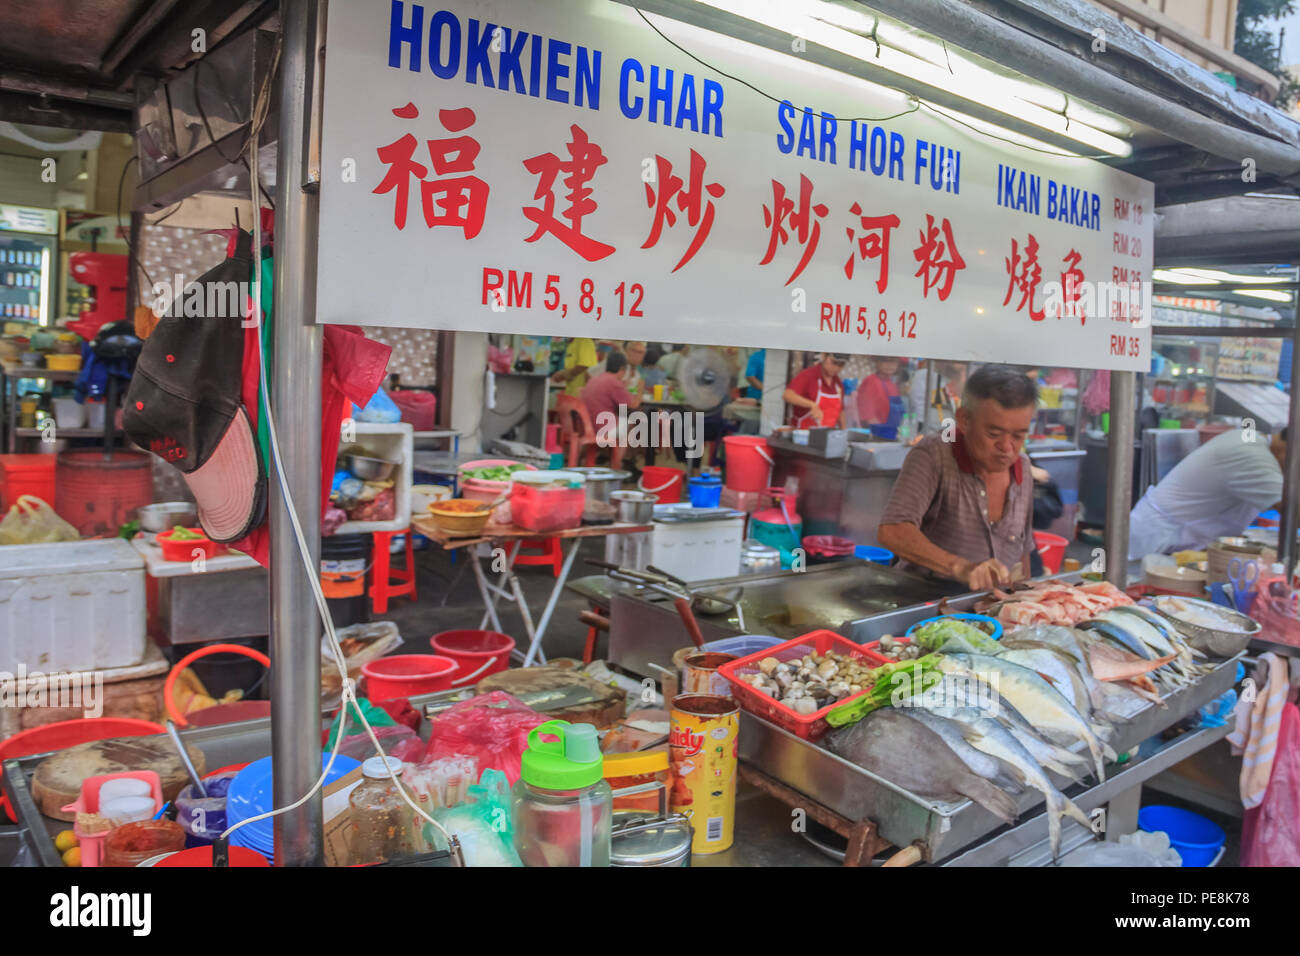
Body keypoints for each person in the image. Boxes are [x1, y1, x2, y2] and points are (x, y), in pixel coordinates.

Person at [878, 365, 1039, 590]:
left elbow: (1022, 556)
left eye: (1018, 436)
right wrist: (960, 567)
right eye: (993, 434)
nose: (1006, 447)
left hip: (992, 614)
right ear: (964, 420)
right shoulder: (934, 455)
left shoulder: (1022, 468)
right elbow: (893, 530)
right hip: (923, 606)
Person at [1127, 427, 1285, 560]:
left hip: (1180, 542)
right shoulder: (1254, 457)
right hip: (1160, 541)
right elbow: (1293, 512)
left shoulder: (1253, 444)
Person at [581, 350, 642, 469]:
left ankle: (586, 458)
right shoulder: (613, 382)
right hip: (602, 427)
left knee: (622, 421)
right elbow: (633, 404)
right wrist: (640, 389)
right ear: (622, 369)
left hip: (587, 426)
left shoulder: (595, 379)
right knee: (631, 425)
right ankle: (616, 464)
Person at [784, 352, 848, 428]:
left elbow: (840, 411)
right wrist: (812, 405)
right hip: (804, 436)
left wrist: (844, 432)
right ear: (824, 356)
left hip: (828, 435)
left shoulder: (838, 383)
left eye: (841, 365)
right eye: (834, 363)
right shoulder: (808, 375)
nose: (837, 368)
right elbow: (787, 395)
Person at [857, 355, 905, 435]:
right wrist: (881, 432)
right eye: (885, 361)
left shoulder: (892, 384)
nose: (889, 365)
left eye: (893, 361)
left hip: (892, 433)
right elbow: (868, 417)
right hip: (876, 434)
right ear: (877, 362)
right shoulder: (871, 382)